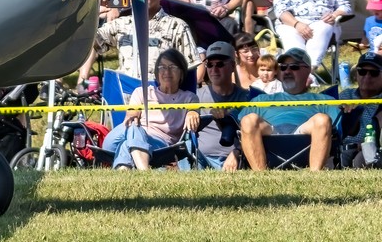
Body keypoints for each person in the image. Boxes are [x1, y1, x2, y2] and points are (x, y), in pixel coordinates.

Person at [237, 49, 340, 171]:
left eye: (294, 67)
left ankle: (315, 176)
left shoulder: (324, 99)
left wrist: (350, 111)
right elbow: (239, 126)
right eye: (283, 67)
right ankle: (260, 176)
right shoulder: (261, 99)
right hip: (271, 133)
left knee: (322, 119)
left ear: (307, 70)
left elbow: (340, 127)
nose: (287, 71)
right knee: (248, 120)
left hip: (304, 134)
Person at [112, 48, 197, 169]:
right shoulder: (142, 92)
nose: (167, 71)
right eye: (162, 67)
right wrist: (133, 113)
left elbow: (194, 111)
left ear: (182, 73)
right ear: (157, 74)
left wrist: (193, 112)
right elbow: (131, 115)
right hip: (132, 134)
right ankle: (142, 171)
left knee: (129, 138)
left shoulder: (189, 98)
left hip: (163, 145)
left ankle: (130, 171)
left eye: (172, 67)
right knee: (133, 128)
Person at [192, 41, 253, 170]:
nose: (214, 70)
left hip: (239, 159)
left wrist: (237, 152)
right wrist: (190, 113)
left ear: (232, 65)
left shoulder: (248, 98)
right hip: (202, 159)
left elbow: (257, 134)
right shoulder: (195, 97)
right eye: (209, 65)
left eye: (219, 64)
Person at [271, 0, 351, 69]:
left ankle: (309, 70)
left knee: (324, 27)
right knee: (291, 37)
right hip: (291, 23)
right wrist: (297, 24)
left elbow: (346, 6)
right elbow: (280, 10)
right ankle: (301, 71)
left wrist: (334, 15)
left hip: (322, 23)